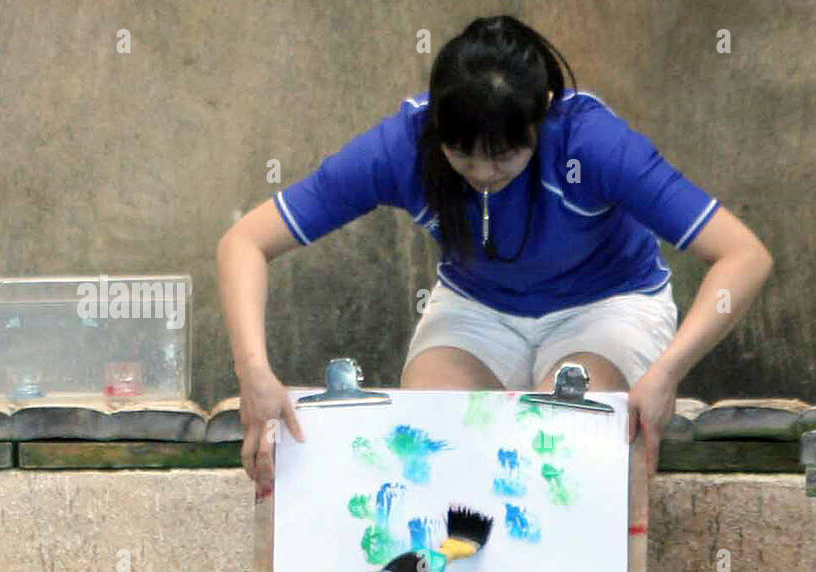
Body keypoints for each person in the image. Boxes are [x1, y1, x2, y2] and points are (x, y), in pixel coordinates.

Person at [218, 14, 772, 498]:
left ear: (542, 119)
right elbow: (244, 242)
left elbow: (744, 256)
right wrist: (255, 376)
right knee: (431, 434)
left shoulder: (592, 143)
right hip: (477, 308)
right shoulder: (402, 148)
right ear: (437, 129)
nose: (483, 175)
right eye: (463, 155)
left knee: (568, 434)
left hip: (606, 306)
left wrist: (665, 374)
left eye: (505, 156)